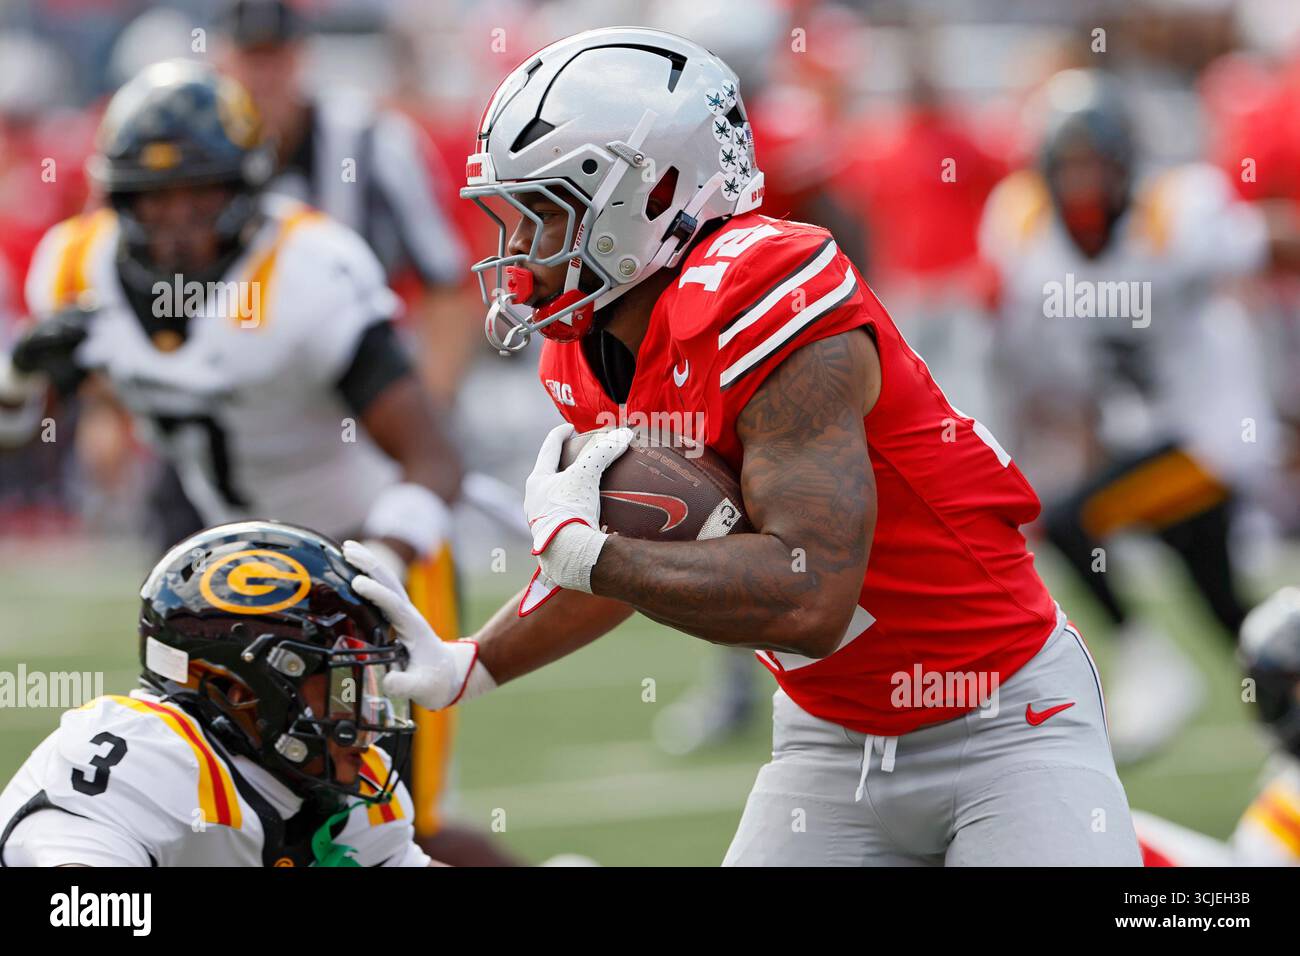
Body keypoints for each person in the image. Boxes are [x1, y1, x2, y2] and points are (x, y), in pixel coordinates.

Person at [355, 27, 1141, 866]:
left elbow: (809, 596)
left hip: (1004, 722)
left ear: (649, 192)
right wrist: (471, 663)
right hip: (830, 742)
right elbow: (632, 543)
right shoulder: (583, 348)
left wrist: (593, 557)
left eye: (547, 211)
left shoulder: (766, 289)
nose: (519, 254)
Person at [1, 59, 492, 860]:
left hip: (360, 563)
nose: (178, 219)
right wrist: (20, 376)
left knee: (380, 819)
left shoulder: (307, 268)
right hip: (234, 583)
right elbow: (18, 437)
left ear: (247, 188)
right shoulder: (75, 266)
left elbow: (435, 457)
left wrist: (377, 567)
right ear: (120, 199)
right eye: (156, 198)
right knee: (254, 808)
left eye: (201, 192)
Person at [980, 69, 1293, 763]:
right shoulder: (1024, 225)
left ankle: (1148, 665)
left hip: (1212, 440)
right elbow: (1068, 365)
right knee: (1222, 603)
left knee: (1066, 520)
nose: (1084, 183)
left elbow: (1270, 241)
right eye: (1069, 166)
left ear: (1126, 161)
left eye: (1096, 163)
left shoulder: (1176, 212)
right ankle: (1290, 723)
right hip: (1147, 438)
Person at [0, 521, 435, 867]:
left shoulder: (345, 790)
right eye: (346, 686)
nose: (366, 717)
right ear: (239, 691)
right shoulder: (148, 764)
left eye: (368, 682)